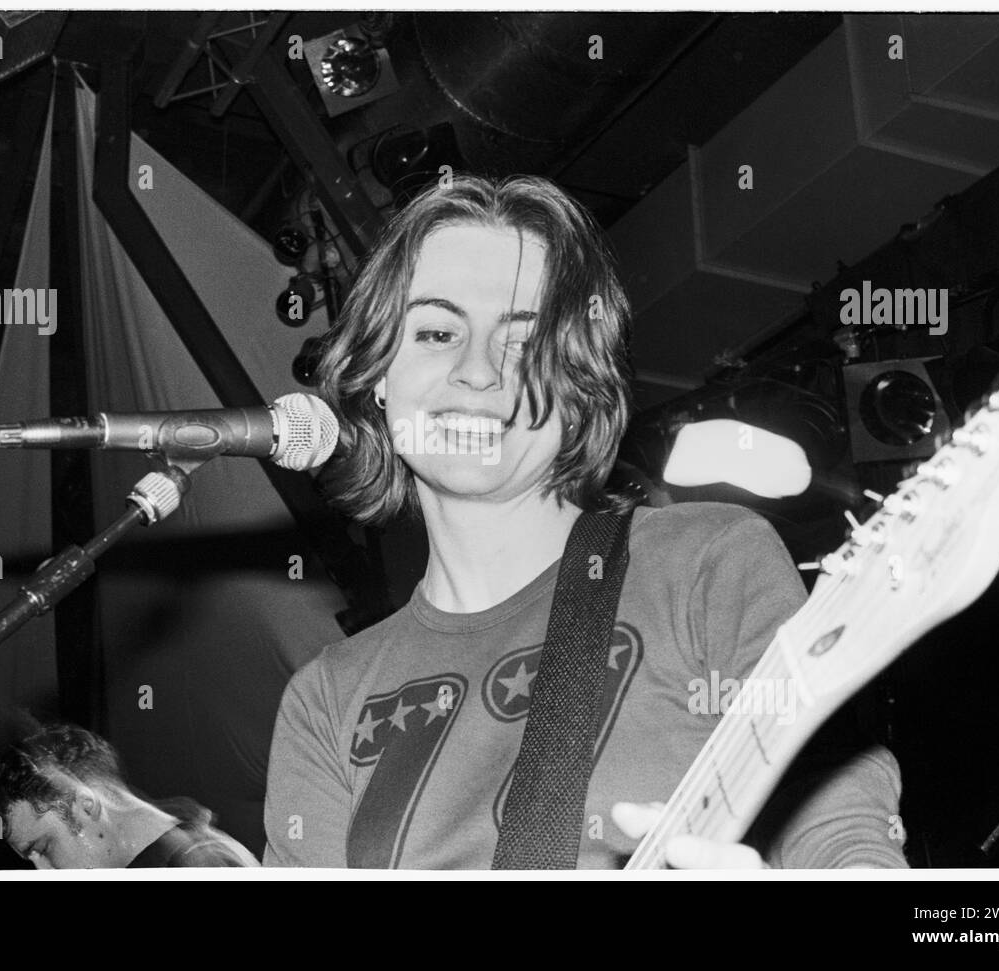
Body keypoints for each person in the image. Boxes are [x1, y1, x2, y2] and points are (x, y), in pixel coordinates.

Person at [263, 174, 906, 869]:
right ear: (380, 375)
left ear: (577, 385)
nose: (478, 370)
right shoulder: (326, 698)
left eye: (521, 340)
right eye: (437, 330)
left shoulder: (705, 560)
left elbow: (839, 824)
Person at [0, 724, 258, 869]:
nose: (44, 872)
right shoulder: (182, 854)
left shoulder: (198, 865)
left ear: (86, 806)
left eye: (45, 848)